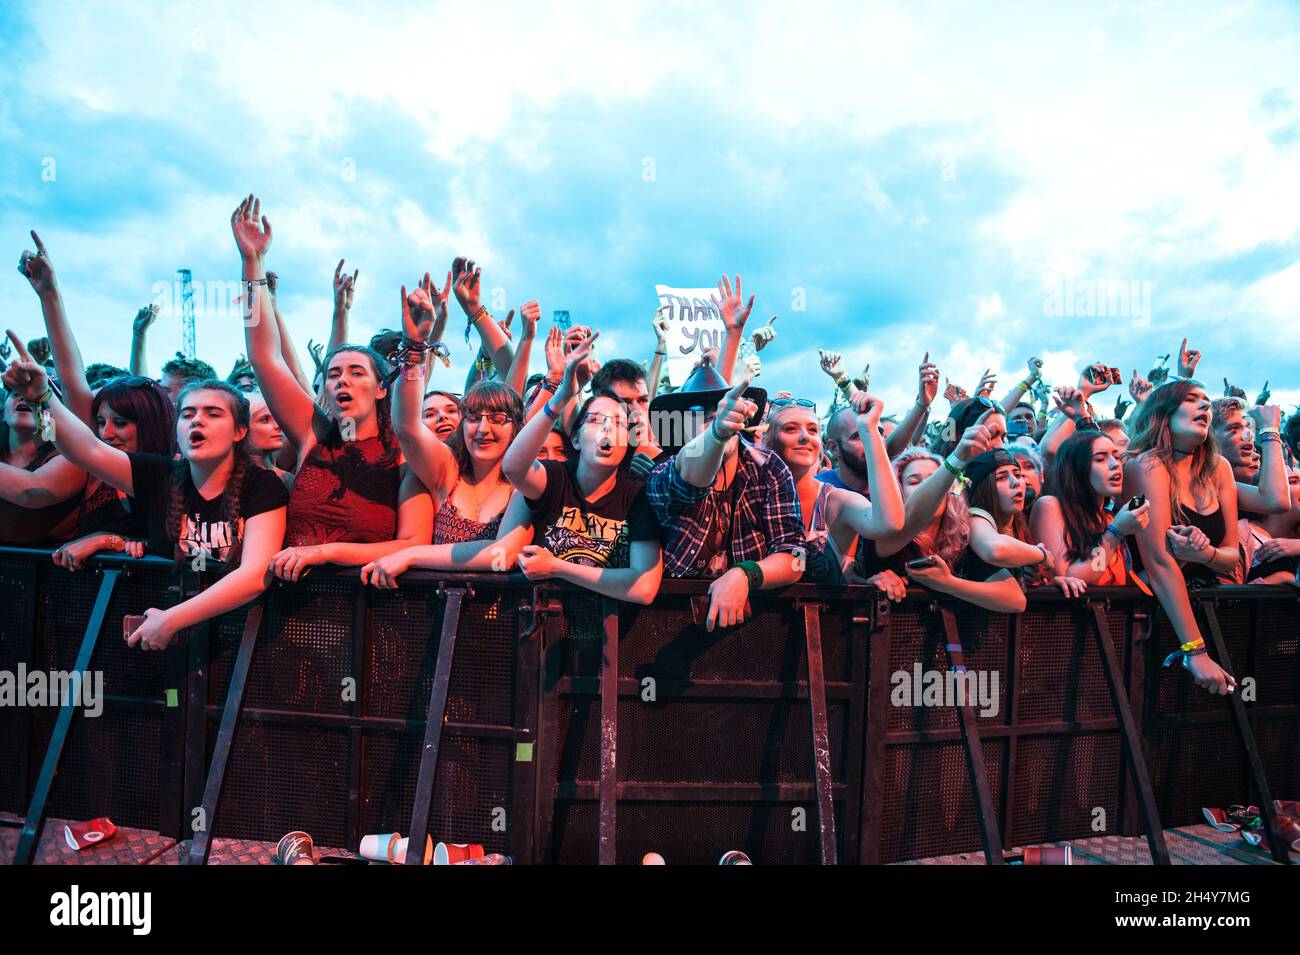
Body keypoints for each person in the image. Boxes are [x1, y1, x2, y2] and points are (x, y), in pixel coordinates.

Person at [3, 341, 287, 650]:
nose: (197, 420)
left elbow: (254, 574)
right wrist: (41, 400)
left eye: (213, 413)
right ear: (176, 429)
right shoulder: (159, 477)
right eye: (188, 413)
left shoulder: (262, 486)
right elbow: (84, 449)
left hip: (238, 644)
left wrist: (172, 619)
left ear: (239, 431)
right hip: (163, 645)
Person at [364, 331, 664, 604]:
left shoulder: (546, 485)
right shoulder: (451, 473)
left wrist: (412, 555)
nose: (483, 428)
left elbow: (503, 553)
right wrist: (416, 352)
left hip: (516, 630)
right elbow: (406, 428)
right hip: (435, 615)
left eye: (497, 419)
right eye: (473, 417)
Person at [232, 195, 432, 581]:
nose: (342, 379)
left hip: (368, 622)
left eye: (357, 372)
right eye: (335, 373)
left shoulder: (402, 456)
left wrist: (327, 553)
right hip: (290, 615)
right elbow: (264, 358)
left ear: (379, 389)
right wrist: (251, 264)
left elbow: (414, 541)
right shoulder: (313, 435)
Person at [646, 354, 803, 631]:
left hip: (752, 633)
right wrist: (717, 434)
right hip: (664, 628)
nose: (718, 422)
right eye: (705, 418)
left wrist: (746, 574)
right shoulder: (663, 469)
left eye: (723, 415)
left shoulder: (768, 468)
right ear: (684, 428)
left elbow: (794, 555)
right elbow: (688, 485)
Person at [1123, 379, 1238, 694]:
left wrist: (1205, 555)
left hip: (1215, 614)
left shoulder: (1220, 469)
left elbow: (1231, 555)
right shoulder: (1147, 464)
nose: (1204, 405)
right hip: (1156, 621)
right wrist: (1196, 650)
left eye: (1206, 400)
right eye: (1191, 399)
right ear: (1163, 412)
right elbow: (1158, 561)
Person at [855, 430, 1027, 613]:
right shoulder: (887, 535)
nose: (927, 488)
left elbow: (1016, 599)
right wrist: (957, 458)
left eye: (935, 481)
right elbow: (916, 513)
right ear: (899, 492)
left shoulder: (963, 540)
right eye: (914, 482)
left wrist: (949, 584)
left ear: (949, 489)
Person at [760, 393, 904, 584]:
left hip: (829, 614)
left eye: (812, 430)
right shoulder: (749, 495)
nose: (805, 437)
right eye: (791, 429)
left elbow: (888, 523)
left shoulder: (835, 501)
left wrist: (869, 431)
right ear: (767, 441)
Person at [53, 376, 175, 569]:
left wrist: (105, 540)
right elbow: (49, 437)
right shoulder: (91, 472)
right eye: (101, 422)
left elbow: (184, 548)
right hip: (75, 591)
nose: (106, 434)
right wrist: (39, 403)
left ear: (151, 423)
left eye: (120, 423)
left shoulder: (175, 474)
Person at [1029, 430, 1150, 585]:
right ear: (1076, 468)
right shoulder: (1050, 506)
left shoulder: (1108, 518)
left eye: (1116, 456)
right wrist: (1114, 533)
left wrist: (1177, 556)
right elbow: (1070, 578)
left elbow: (1128, 587)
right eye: (1100, 459)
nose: (1115, 464)